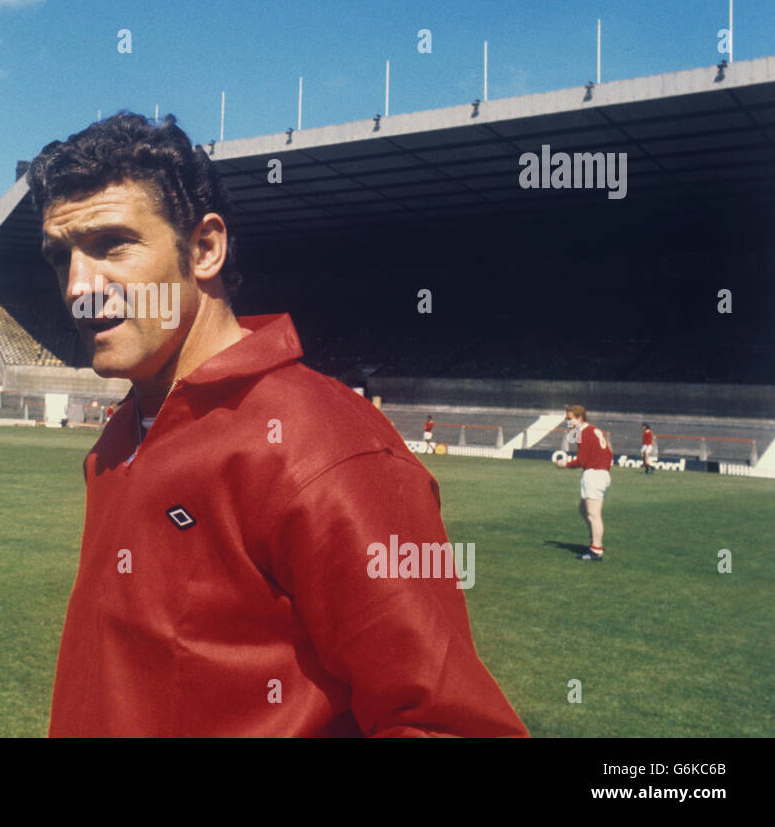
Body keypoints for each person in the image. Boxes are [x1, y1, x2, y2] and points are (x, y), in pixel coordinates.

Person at [29, 111, 526, 737]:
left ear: (205, 248)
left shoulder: (324, 446)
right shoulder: (120, 437)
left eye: (111, 245)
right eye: (60, 257)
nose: (78, 286)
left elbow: (445, 723)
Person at [557, 405, 612, 561]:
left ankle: (596, 550)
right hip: (599, 473)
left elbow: (581, 460)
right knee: (582, 509)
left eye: (569, 418)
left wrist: (564, 464)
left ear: (579, 418)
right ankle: (594, 540)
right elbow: (609, 453)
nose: (566, 421)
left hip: (594, 474)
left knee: (594, 515)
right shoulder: (591, 430)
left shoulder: (584, 432)